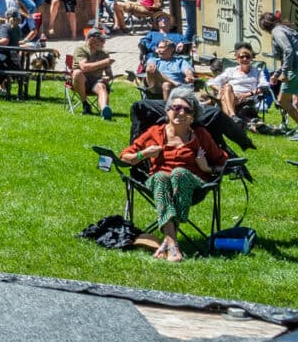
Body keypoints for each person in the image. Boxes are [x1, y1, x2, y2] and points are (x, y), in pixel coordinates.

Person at [122, 89, 227, 261]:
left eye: (187, 110)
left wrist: (207, 168)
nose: (181, 113)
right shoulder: (155, 133)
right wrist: (144, 153)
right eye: (176, 107)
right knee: (161, 176)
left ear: (193, 116)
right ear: (168, 110)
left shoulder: (200, 135)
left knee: (179, 173)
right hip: (159, 184)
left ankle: (169, 242)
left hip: (192, 186)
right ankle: (172, 243)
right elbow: (125, 156)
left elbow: (223, 163)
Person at [209, 44, 272, 122]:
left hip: (248, 98)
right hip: (232, 95)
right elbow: (212, 82)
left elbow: (265, 86)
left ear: (251, 58)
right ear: (237, 59)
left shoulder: (257, 71)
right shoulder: (231, 71)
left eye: (247, 57)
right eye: (242, 57)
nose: (245, 59)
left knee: (224, 97)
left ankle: (230, 119)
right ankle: (233, 116)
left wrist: (246, 94)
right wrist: (219, 89)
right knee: (227, 87)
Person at [67, 28, 117, 120]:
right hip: (80, 82)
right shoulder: (81, 49)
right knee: (77, 73)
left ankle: (105, 110)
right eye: (101, 40)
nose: (104, 43)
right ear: (92, 39)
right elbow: (84, 67)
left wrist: (107, 77)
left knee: (101, 86)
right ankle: (85, 104)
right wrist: (104, 62)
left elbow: (109, 74)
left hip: (96, 82)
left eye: (104, 40)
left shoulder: (104, 53)